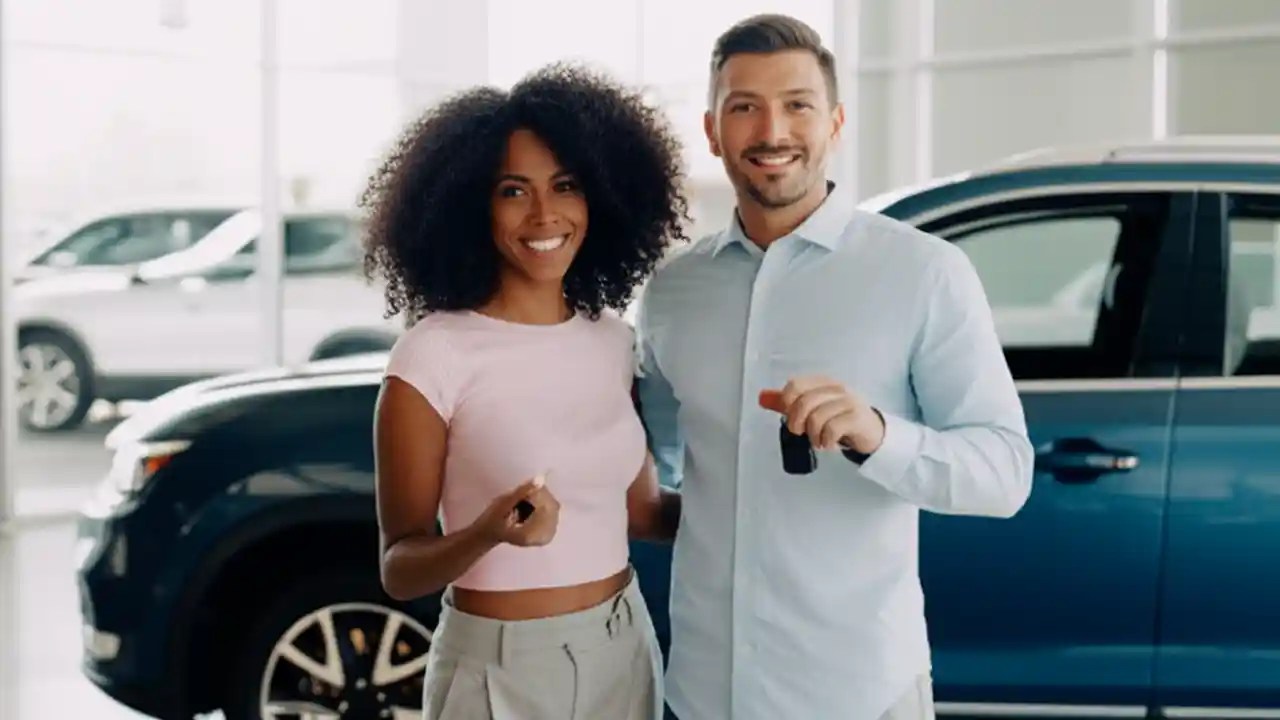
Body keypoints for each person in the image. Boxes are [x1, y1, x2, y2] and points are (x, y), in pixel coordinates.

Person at [633, 14, 1035, 720]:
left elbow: (1004, 474)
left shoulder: (925, 272)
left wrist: (880, 435)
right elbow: (666, 464)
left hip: (857, 692)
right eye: (744, 108)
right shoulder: (672, 292)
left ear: (836, 121)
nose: (772, 131)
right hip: (701, 693)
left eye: (797, 105)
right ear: (712, 130)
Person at [362, 62, 686, 720]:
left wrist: (760, 503)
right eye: (514, 190)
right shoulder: (434, 355)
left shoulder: (611, 342)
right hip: (499, 672)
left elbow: (643, 513)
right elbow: (400, 567)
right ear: (472, 204)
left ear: (599, 196)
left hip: (623, 647)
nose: (544, 213)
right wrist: (486, 533)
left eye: (565, 185)